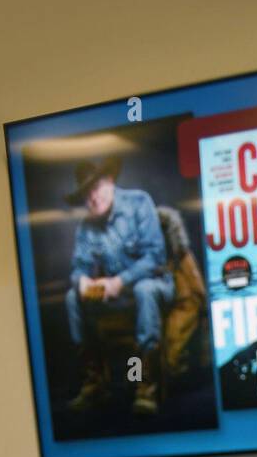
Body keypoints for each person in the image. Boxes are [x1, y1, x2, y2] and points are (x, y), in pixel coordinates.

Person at [64, 156, 174, 415]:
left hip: (155, 284)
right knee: (71, 297)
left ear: (110, 181)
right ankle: (94, 383)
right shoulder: (86, 226)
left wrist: (118, 281)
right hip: (117, 296)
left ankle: (144, 385)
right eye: (86, 194)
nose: (93, 198)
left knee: (143, 290)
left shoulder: (139, 202)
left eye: (97, 187)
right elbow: (78, 268)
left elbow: (155, 257)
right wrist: (82, 282)